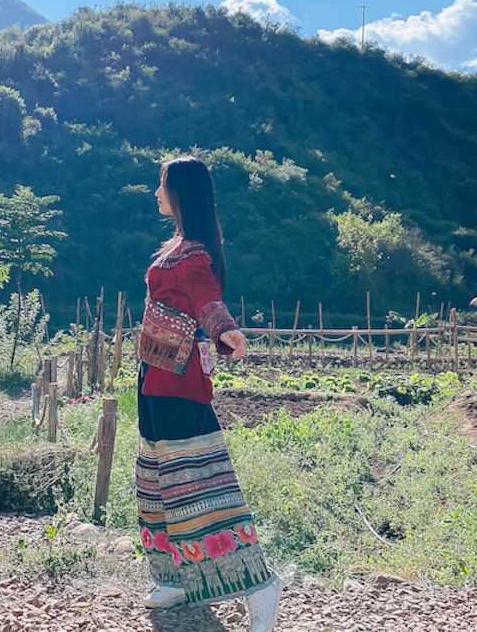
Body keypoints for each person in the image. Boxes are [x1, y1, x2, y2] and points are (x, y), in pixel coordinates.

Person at [135, 156, 282, 632]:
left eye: (161, 186)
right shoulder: (175, 246)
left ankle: (259, 584)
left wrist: (226, 330)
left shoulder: (193, 253)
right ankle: (177, 579)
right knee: (159, 486)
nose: (156, 193)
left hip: (179, 385)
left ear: (179, 193)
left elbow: (206, 297)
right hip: (153, 380)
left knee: (201, 488)